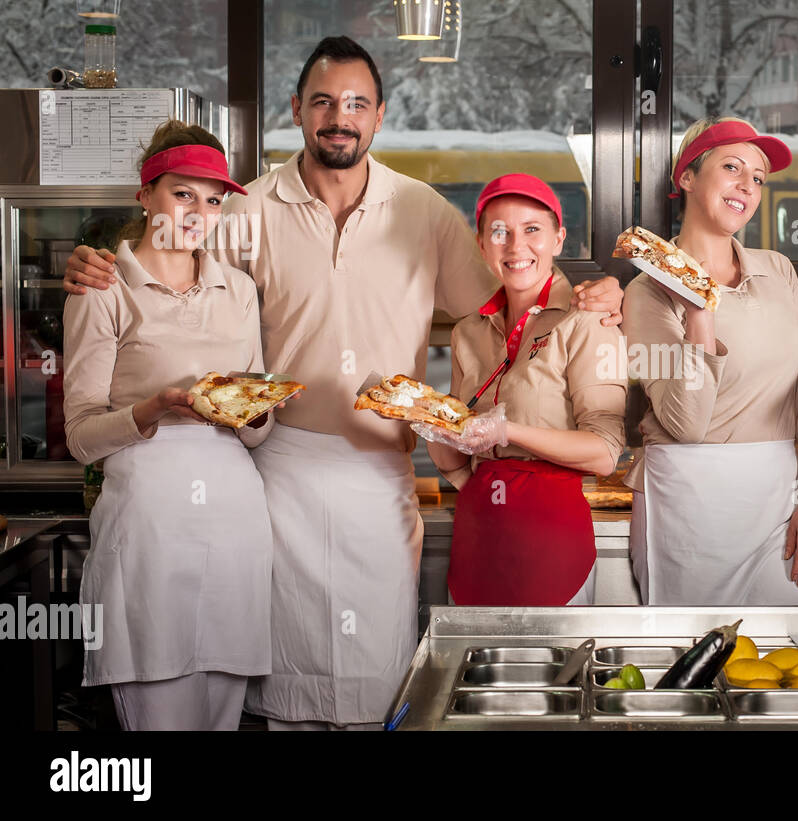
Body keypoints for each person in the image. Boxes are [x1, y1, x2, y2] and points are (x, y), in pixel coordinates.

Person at [61, 37, 625, 729]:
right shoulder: (252, 209)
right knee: (280, 687)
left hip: (380, 471)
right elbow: (174, 244)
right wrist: (101, 258)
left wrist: (592, 295)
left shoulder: (423, 213)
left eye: (357, 103)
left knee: (377, 681)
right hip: (274, 472)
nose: (340, 116)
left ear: (380, 115)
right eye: (324, 101)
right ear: (297, 110)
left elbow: (516, 281)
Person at [63, 121, 273, 730]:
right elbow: (80, 436)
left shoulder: (238, 290)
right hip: (149, 529)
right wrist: (154, 408)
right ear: (147, 196)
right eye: (183, 194)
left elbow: (256, 428)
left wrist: (254, 411)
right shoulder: (104, 287)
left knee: (223, 719)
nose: (198, 212)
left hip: (236, 524)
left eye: (213, 199)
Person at [620, 117, 798, 605]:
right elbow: (687, 423)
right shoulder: (646, 292)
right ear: (688, 178)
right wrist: (700, 308)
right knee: (692, 660)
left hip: (776, 498)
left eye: (758, 177)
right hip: (686, 503)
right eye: (732, 167)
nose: (747, 185)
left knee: (782, 659)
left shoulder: (778, 270)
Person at [423, 174, 627, 605]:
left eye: (532, 230)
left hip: (551, 535)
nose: (516, 247)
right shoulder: (466, 333)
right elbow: (456, 460)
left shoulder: (588, 320)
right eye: (500, 232)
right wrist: (427, 422)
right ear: (482, 245)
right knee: (473, 666)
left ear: (559, 238)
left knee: (552, 667)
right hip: (479, 532)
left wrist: (508, 432)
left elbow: (606, 453)